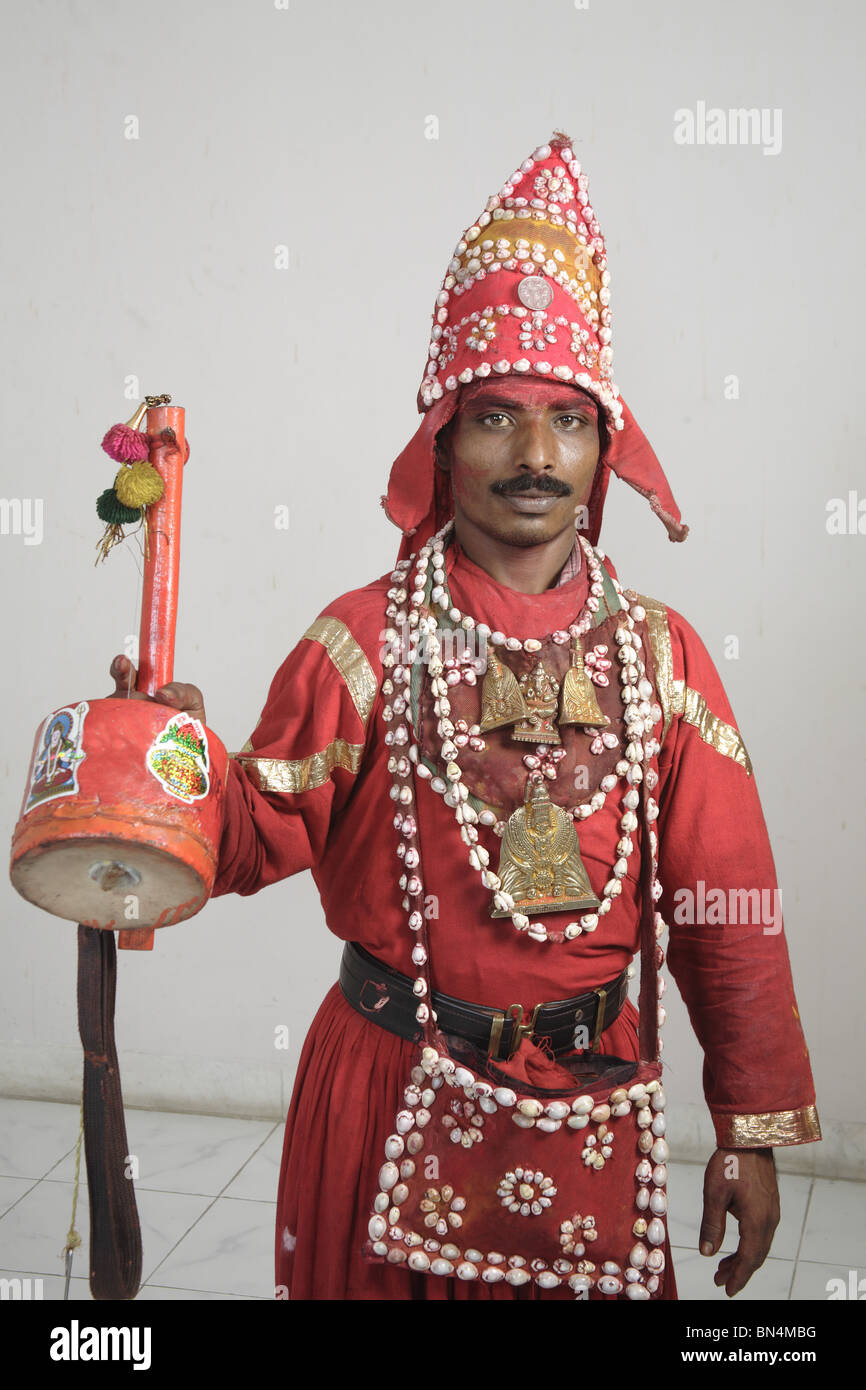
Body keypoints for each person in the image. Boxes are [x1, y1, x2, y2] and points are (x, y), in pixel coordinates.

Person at [108, 131, 819, 1300]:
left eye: (569, 421)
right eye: (494, 417)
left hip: (598, 1111)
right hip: (387, 1094)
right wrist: (167, 758)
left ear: (604, 450)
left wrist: (746, 1126)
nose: (534, 455)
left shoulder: (662, 659)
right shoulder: (363, 640)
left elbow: (723, 912)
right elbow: (248, 831)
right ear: (438, 441)